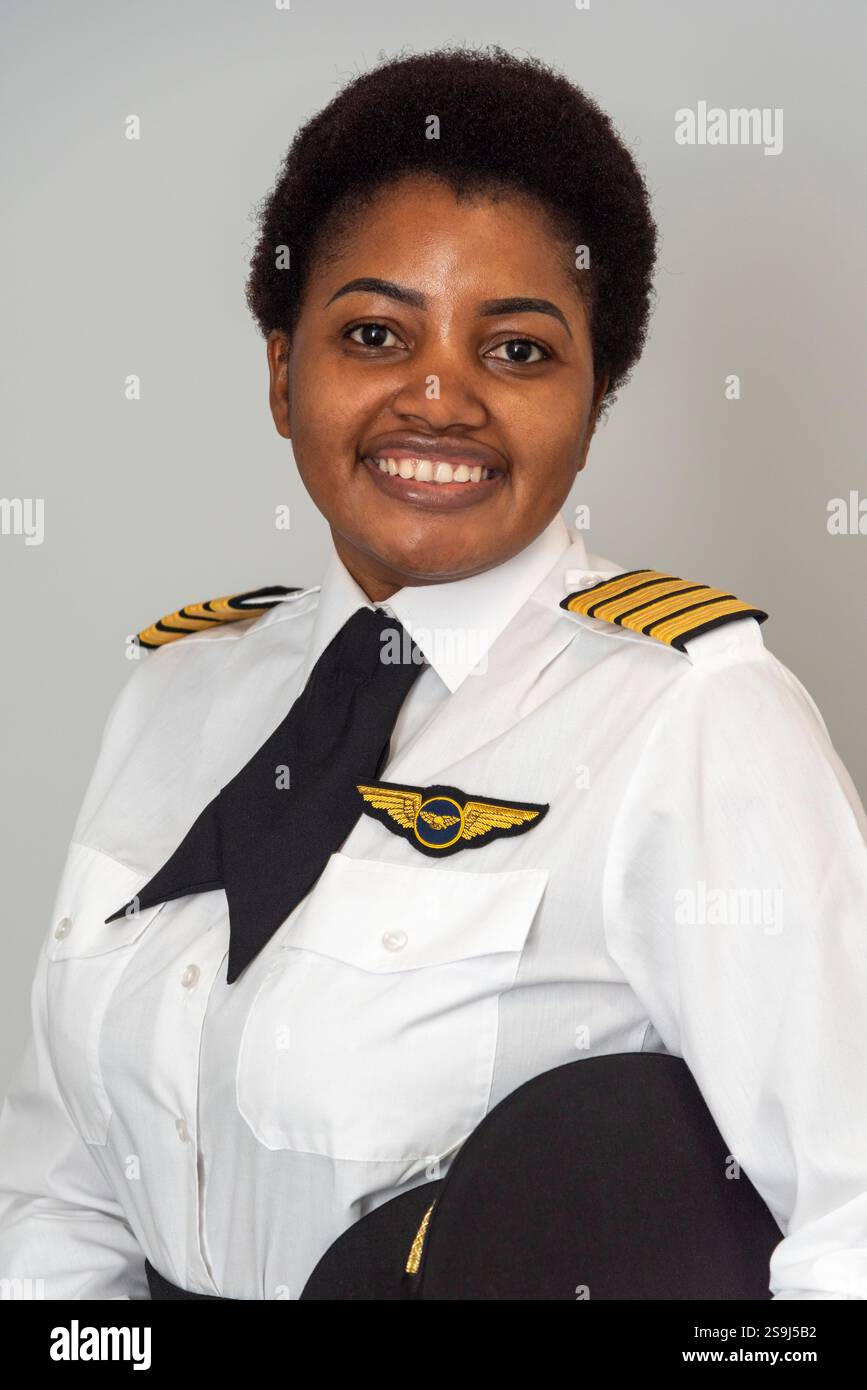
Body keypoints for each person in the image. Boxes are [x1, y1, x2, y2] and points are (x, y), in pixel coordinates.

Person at [1, 43, 865, 1303]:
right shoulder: (179, 693)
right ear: (283, 373)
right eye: (373, 332)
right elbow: (59, 1192)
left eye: (517, 351)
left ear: (596, 395)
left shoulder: (693, 713)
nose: (440, 396)